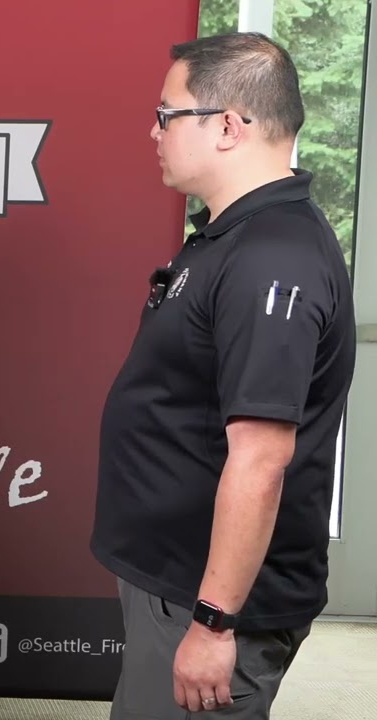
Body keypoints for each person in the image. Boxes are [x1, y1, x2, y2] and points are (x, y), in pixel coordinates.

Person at [90, 32, 356, 719]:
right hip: (175, 587)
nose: (153, 131)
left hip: (206, 606)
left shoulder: (273, 258)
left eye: (168, 114)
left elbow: (262, 460)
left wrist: (212, 624)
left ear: (230, 126)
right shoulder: (231, 236)